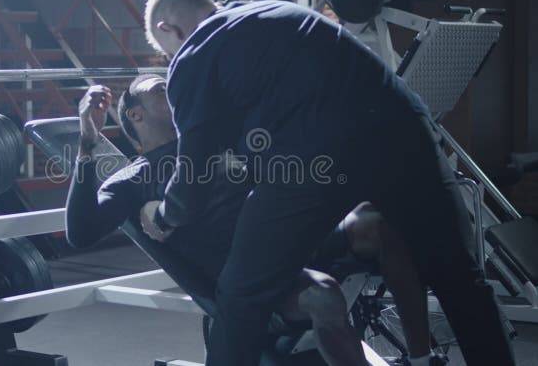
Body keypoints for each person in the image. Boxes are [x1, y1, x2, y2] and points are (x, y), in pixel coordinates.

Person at [140, 0, 515, 366]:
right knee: (459, 277)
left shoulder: (194, 53)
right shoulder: (279, 12)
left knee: (240, 295)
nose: (171, 58)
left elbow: (195, 174)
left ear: (168, 29)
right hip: (403, 127)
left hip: (312, 154)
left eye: (166, 50)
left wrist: (165, 215)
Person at [66, 80, 434, 365]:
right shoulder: (133, 179)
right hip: (252, 278)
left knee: (376, 221)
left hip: (294, 242)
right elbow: (80, 233)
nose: (175, 89)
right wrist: (86, 143)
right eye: (162, 89)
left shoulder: (216, 142)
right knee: (322, 294)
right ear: (135, 115)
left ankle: (422, 359)